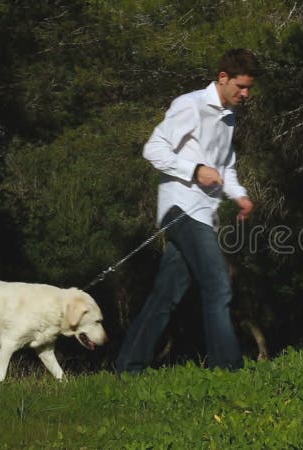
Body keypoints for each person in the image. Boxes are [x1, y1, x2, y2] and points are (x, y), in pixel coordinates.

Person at [115, 48, 259, 374]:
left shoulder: (228, 118)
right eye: (241, 86)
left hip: (203, 213)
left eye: (250, 88)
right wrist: (194, 170)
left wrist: (240, 196)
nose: (246, 94)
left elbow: (225, 168)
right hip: (181, 208)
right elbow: (152, 148)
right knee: (218, 285)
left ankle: (128, 366)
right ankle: (228, 370)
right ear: (223, 78)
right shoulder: (190, 105)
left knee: (166, 295)